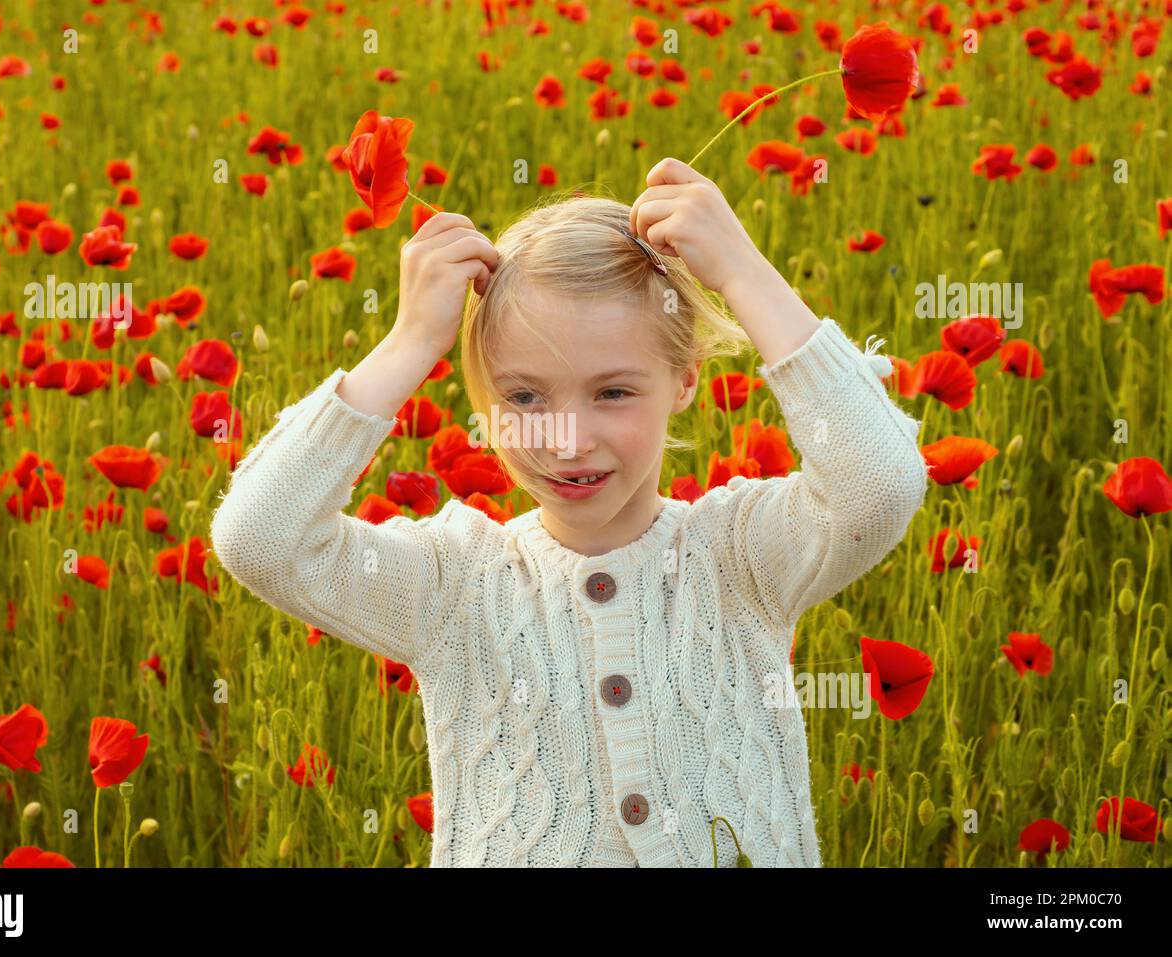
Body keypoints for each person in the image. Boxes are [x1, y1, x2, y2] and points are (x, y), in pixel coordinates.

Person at [209, 157, 929, 867]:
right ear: (485, 402)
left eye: (613, 392)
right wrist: (409, 342)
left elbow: (881, 483)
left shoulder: (740, 558)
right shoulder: (453, 585)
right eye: (523, 397)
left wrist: (742, 271)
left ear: (684, 380)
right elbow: (260, 537)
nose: (568, 438)